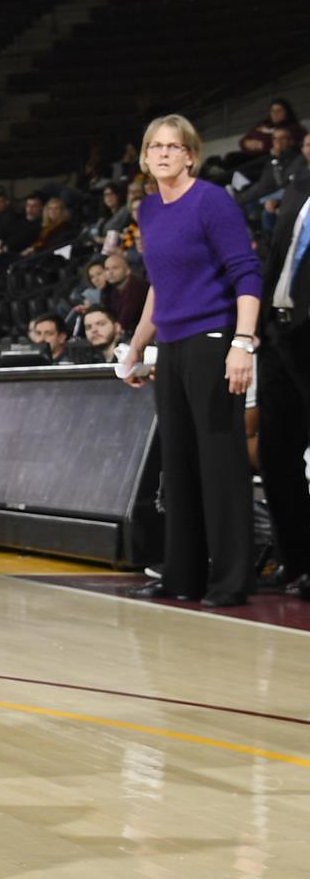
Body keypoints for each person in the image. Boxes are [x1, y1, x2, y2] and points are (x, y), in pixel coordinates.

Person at [116, 114, 263, 608]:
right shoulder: (149, 211)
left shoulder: (211, 201)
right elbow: (160, 284)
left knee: (220, 464)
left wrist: (243, 342)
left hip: (215, 338)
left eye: (172, 147)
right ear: (145, 156)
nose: (162, 153)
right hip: (172, 345)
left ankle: (231, 580)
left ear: (190, 155)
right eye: (154, 146)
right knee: (176, 465)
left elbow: (245, 272)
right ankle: (182, 575)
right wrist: (136, 347)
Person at [258, 169, 310, 595]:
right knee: (276, 454)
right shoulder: (298, 187)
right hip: (279, 333)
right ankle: (293, 558)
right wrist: (259, 327)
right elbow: (276, 254)